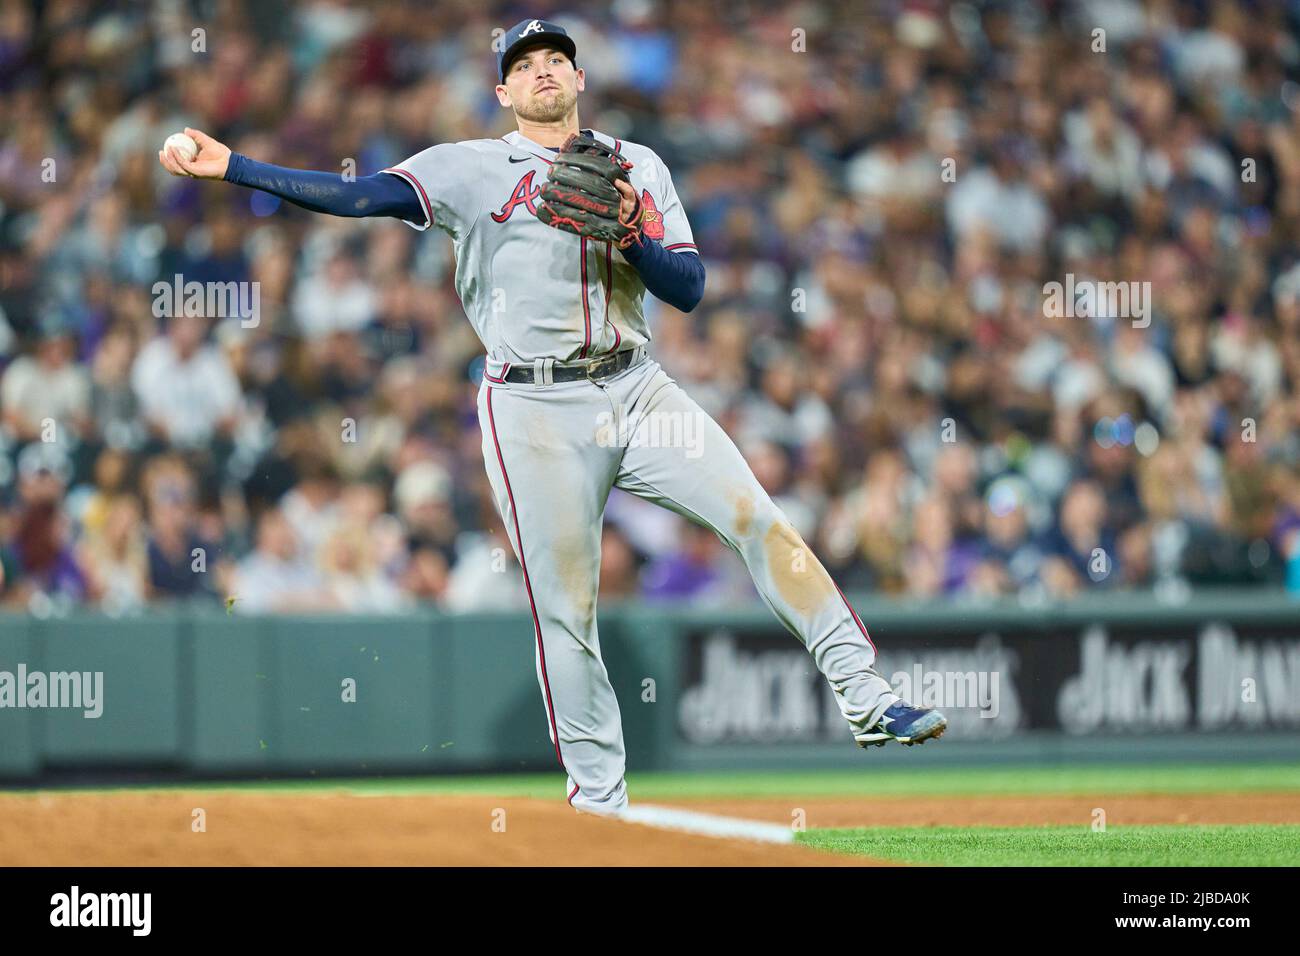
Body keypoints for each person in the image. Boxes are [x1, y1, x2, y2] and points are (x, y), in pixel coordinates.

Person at [158, 18, 946, 815]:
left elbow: (690, 288)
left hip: (638, 389)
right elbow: (361, 196)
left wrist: (635, 236)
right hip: (531, 404)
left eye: (556, 60)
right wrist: (235, 168)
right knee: (567, 613)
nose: (542, 71)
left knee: (761, 519)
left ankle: (866, 696)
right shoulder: (468, 167)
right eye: (524, 64)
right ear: (502, 91)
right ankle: (600, 807)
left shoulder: (638, 165)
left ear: (578, 78)